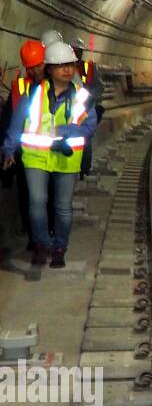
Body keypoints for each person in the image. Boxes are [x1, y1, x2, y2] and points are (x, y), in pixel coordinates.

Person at [2, 41, 98, 267]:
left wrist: (65, 130)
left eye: (70, 65)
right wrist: (8, 149)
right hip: (35, 155)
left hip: (66, 157)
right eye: (60, 65)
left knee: (63, 206)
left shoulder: (82, 97)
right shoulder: (33, 93)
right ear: (49, 69)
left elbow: (89, 126)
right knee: (37, 201)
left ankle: (59, 247)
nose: (66, 69)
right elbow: (17, 123)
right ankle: (41, 245)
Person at [1, 40, 46, 250]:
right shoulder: (21, 86)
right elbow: (11, 117)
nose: (35, 70)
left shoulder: (57, 83)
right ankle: (34, 237)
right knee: (28, 197)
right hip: (24, 151)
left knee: (48, 198)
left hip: (51, 151)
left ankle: (46, 235)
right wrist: (7, 148)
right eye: (31, 67)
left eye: (38, 65)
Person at [69, 36, 104, 176]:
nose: (77, 53)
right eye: (74, 49)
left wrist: (89, 97)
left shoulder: (88, 67)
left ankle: (85, 168)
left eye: (79, 50)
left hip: (85, 106)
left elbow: (99, 86)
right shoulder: (61, 66)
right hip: (68, 106)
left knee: (85, 140)